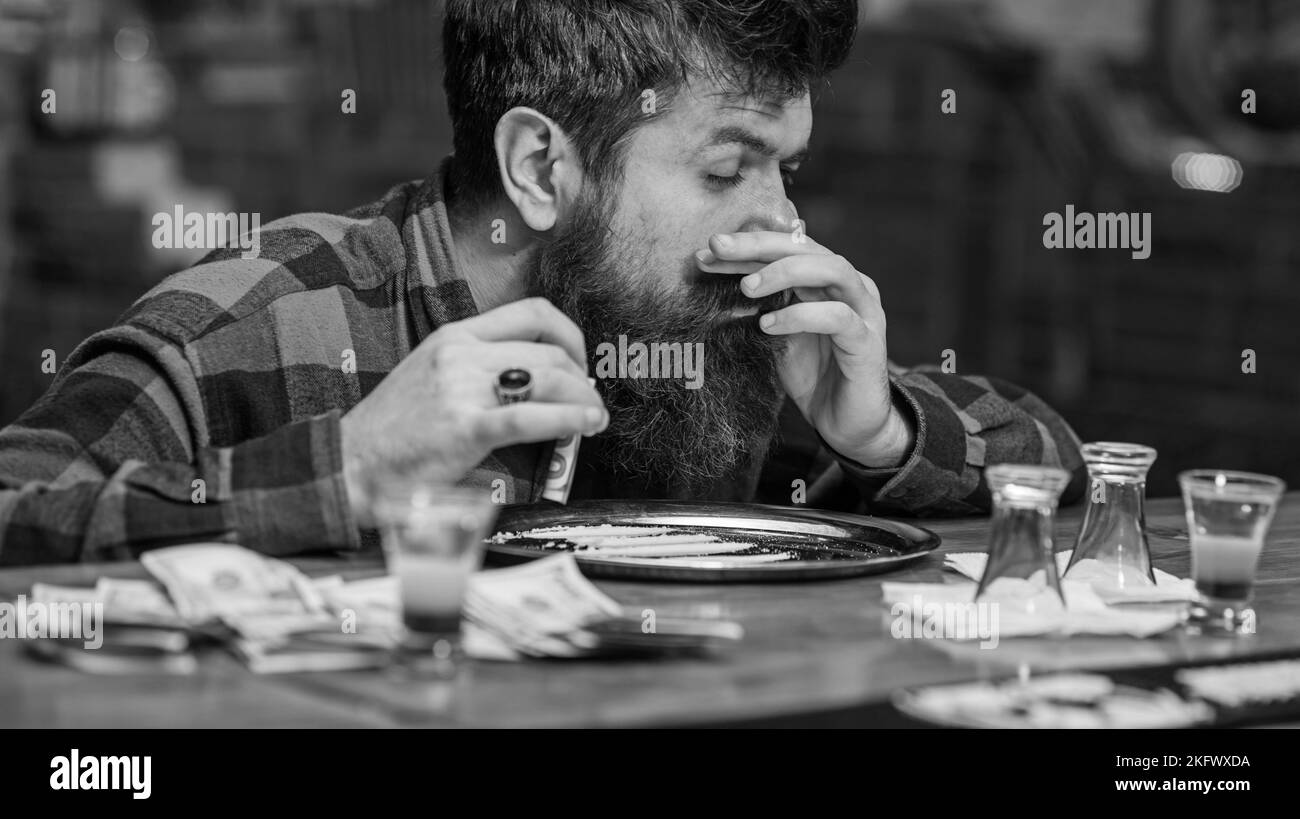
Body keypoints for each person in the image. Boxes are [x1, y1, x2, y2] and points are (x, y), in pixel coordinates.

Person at [0, 0, 1083, 566]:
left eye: (785, 168)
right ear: (538, 166)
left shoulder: (718, 325)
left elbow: (1066, 475)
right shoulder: (272, 317)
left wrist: (881, 431)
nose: (782, 223)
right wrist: (347, 467)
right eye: (726, 169)